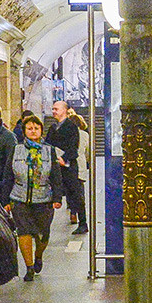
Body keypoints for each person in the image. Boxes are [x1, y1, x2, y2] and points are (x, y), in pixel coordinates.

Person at [10, 113, 57, 280]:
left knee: (43, 234)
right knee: (23, 231)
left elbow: (56, 175)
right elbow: (8, 175)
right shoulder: (16, 150)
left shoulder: (49, 150)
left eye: (36, 128)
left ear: (41, 130)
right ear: (24, 131)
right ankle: (29, 267)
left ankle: (38, 255)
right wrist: (5, 200)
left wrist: (57, 198)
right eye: (29, 128)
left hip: (43, 199)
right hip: (19, 198)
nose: (33, 131)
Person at [48, 100, 88, 235]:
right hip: (56, 166)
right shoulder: (52, 128)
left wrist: (63, 158)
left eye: (56, 109)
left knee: (75, 194)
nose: (53, 111)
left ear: (64, 110)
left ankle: (83, 222)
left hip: (69, 166)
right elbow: (48, 145)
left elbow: (73, 147)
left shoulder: (71, 127)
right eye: (53, 109)